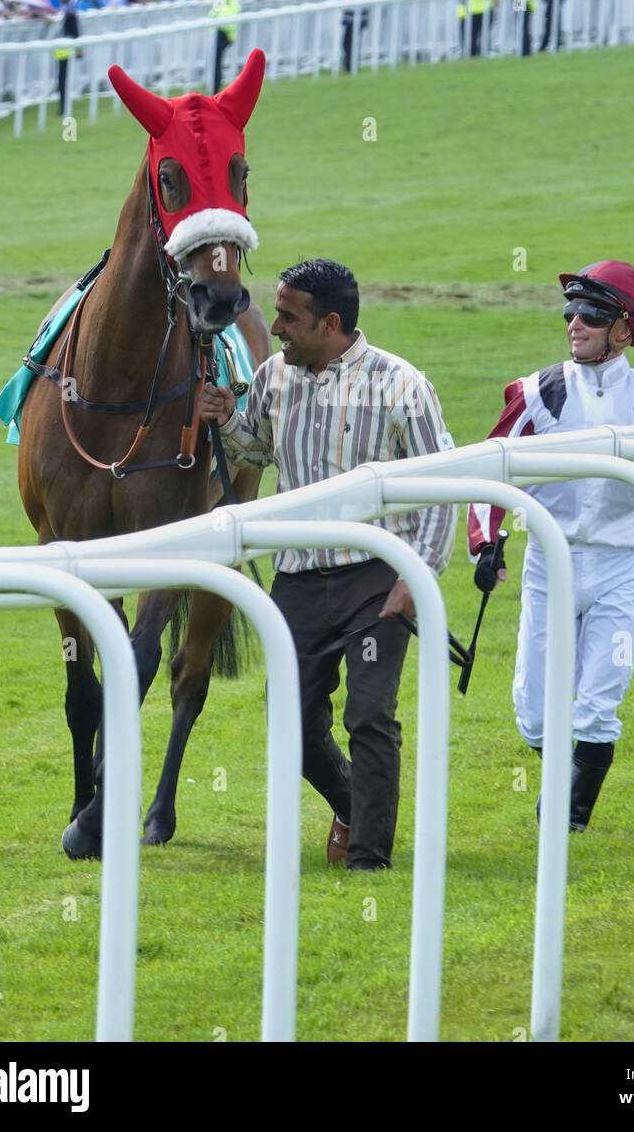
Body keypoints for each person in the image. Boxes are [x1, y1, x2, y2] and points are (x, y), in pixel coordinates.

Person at [200, 259, 456, 870]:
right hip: (297, 581)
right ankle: (351, 805)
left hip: (376, 578)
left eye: (289, 317)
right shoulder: (273, 376)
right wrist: (224, 417)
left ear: (331, 323)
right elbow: (255, 447)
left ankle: (370, 857)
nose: (277, 327)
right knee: (290, 722)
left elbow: (444, 485)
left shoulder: (401, 385)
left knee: (369, 713)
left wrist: (416, 578)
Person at [467, 261, 634, 832]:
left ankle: (567, 821)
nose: (575, 322)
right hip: (551, 562)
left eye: (591, 313)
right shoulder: (539, 392)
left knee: (599, 703)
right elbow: (489, 468)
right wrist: (485, 542)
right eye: (570, 310)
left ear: (626, 329)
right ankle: (562, 791)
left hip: (622, 568)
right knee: (535, 714)